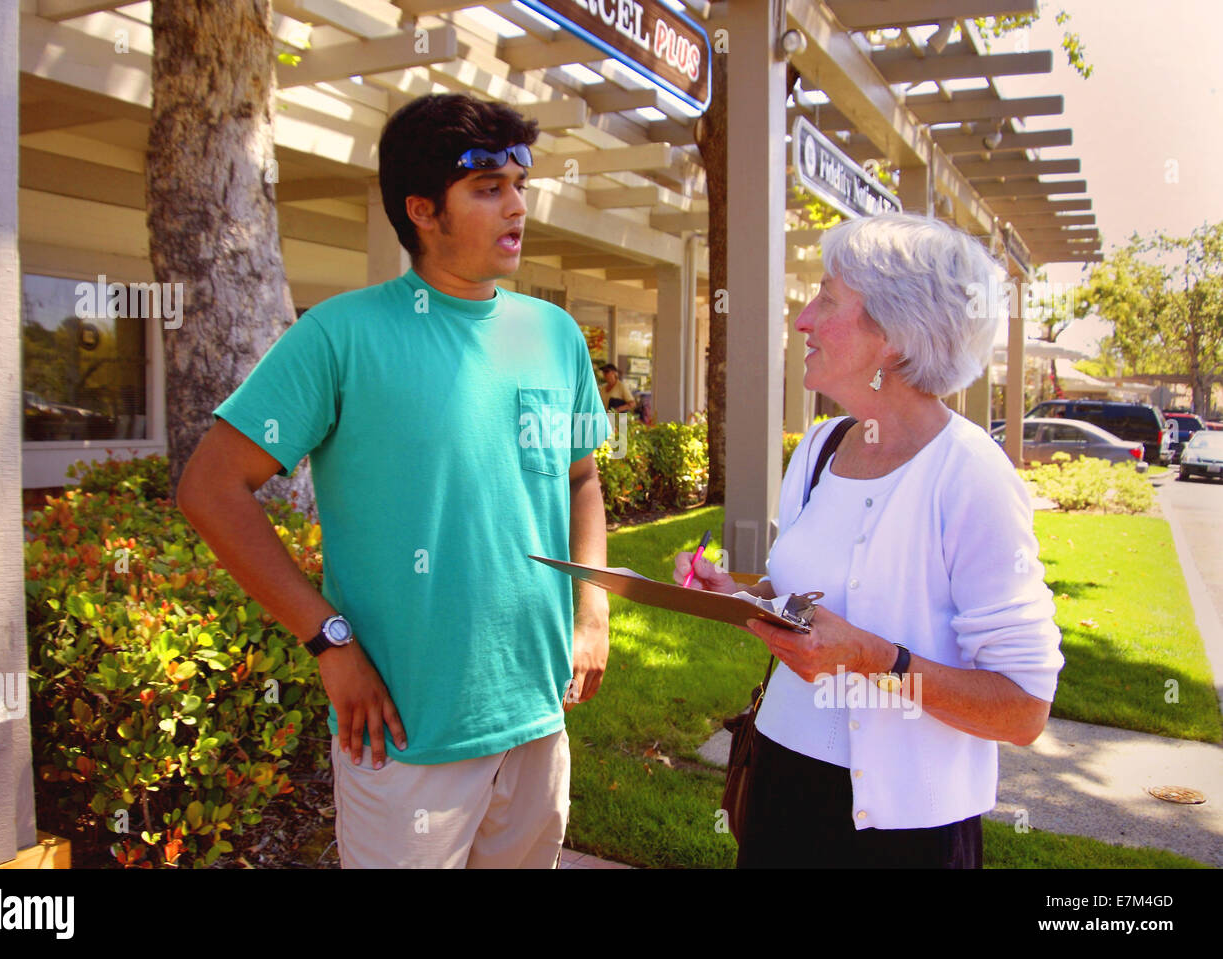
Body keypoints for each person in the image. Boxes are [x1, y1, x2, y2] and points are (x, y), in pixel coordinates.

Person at [176, 93, 612, 868]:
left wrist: (594, 608)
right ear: (422, 210)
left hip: (539, 714)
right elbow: (210, 488)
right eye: (488, 189)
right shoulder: (340, 336)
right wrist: (328, 639)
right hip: (404, 735)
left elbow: (580, 478)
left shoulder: (555, 334)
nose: (517, 206)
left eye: (519, 184)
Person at [675, 213, 1064, 868]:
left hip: (902, 835)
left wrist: (874, 660)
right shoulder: (821, 447)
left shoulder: (971, 474)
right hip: (777, 784)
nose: (803, 319)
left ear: (892, 335)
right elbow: (810, 595)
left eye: (826, 298)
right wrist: (738, 593)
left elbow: (1023, 709)